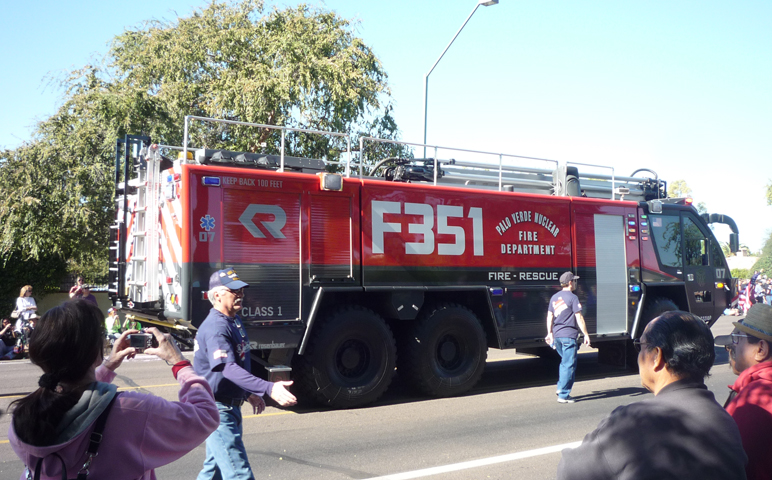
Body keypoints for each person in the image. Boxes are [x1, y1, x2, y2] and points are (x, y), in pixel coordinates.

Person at [8, 300, 219, 480]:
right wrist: (178, 362)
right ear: (94, 351)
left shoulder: (24, 415)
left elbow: (76, 395)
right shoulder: (133, 410)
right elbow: (205, 415)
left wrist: (106, 366)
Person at [557, 311, 747, 480]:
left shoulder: (633, 421)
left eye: (640, 346)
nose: (639, 355)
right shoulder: (725, 419)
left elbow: (569, 472)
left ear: (656, 356)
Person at [195, 268, 297, 480]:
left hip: (229, 406)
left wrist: (247, 392)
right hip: (217, 410)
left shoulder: (234, 320)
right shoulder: (216, 327)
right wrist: (268, 388)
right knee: (239, 474)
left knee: (213, 472)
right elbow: (227, 367)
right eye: (234, 291)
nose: (240, 294)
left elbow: (237, 365)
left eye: (241, 290)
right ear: (217, 295)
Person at [715, 303, 772, 480]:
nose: (733, 346)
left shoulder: (754, 398)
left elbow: (723, 463)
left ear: (761, 349)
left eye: (737, 338)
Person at [545, 271, 590, 403]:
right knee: (568, 365)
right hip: (569, 336)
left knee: (564, 363)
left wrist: (550, 333)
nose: (576, 283)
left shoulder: (554, 297)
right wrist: (586, 334)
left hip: (557, 336)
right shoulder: (573, 298)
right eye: (575, 281)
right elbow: (579, 317)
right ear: (570, 283)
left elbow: (550, 316)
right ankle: (563, 395)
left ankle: (560, 388)